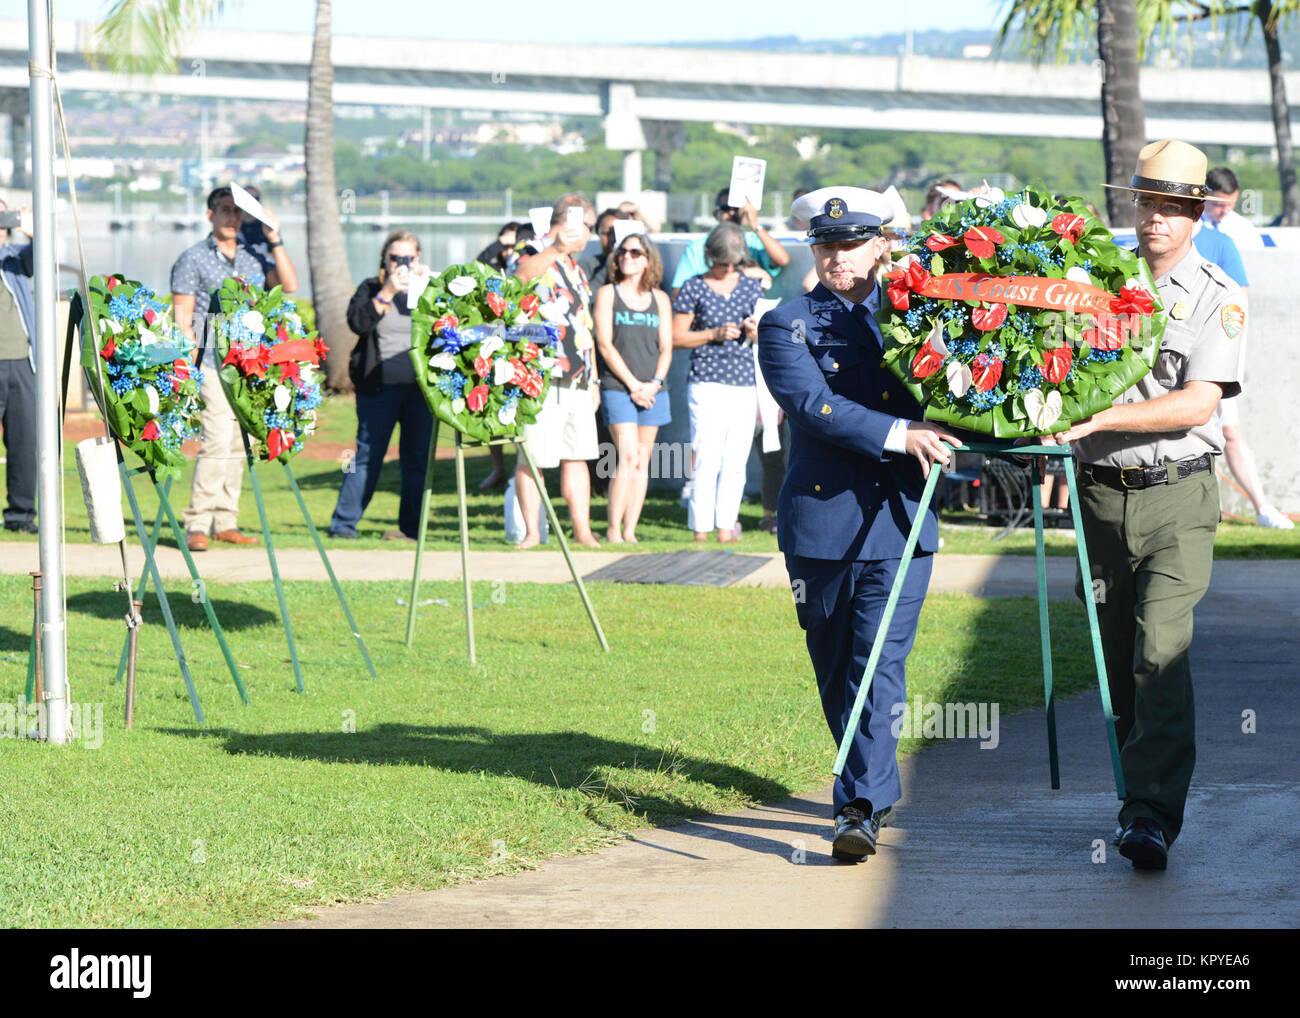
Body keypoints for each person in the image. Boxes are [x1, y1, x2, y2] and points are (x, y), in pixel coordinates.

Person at [758, 186, 959, 863]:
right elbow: (811, 404)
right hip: (822, 524)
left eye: (851, 243)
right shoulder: (785, 322)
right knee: (837, 665)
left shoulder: (923, 315)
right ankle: (863, 785)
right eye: (826, 244)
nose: (838, 257)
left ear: (883, 244)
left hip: (901, 519)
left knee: (879, 667)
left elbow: (967, 387)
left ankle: (861, 805)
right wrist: (903, 434)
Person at [1061, 140, 1246, 871]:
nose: (1158, 219)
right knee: (1115, 662)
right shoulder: (1093, 284)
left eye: (1174, 207)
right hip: (1099, 497)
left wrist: (1100, 418)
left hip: (1178, 497)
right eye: (1148, 203)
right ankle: (1139, 792)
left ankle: (1150, 816)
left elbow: (1198, 401)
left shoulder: (1217, 295)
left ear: (1197, 214)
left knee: (1160, 650)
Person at [174, 185, 298, 552]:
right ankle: (197, 521)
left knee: (237, 443)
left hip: (246, 363)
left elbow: (289, 285)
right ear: (210, 215)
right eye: (224, 210)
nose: (231, 217)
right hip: (209, 361)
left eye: (236, 211)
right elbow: (182, 315)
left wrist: (274, 237)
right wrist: (187, 365)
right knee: (215, 440)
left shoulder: (252, 258)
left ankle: (225, 520)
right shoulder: (192, 258)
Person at [1195, 175, 1292, 529]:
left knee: (1229, 430)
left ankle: (1262, 506)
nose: (1222, 212)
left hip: (1213, 355)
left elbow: (1240, 302)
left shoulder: (1222, 241)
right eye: (1218, 203)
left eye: (1229, 205)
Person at [327, 231, 434, 542]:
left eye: (408, 258)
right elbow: (357, 323)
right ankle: (343, 526)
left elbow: (450, 326)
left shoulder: (428, 290)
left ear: (419, 259)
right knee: (367, 456)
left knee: (417, 458)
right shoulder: (372, 288)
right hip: (379, 388)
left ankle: (411, 530)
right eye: (395, 257)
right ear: (384, 260)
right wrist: (386, 292)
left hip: (420, 391)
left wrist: (428, 287)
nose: (402, 263)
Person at [511, 194, 602, 548]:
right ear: (570, 224)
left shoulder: (576, 265)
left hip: (578, 375)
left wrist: (593, 377)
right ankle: (533, 532)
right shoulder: (531, 248)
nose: (590, 236)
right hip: (540, 374)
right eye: (588, 228)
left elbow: (584, 324)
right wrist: (553, 248)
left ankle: (582, 532)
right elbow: (518, 280)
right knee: (532, 456)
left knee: (577, 455)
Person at [672, 223, 763, 543]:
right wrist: (712, 334)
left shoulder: (752, 287)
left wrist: (755, 332)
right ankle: (700, 528)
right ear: (709, 257)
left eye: (733, 262)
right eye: (721, 262)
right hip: (706, 380)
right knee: (705, 455)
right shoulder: (693, 287)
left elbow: (763, 331)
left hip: (743, 380)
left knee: (736, 458)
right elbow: (675, 336)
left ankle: (726, 525)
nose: (727, 268)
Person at [593, 233, 672, 543]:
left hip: (653, 390)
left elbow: (666, 348)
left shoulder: (660, 299)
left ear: (648, 260)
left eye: (635, 252)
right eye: (622, 252)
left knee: (641, 462)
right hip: (618, 386)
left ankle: (631, 531)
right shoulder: (607, 295)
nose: (627, 256)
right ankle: (613, 531)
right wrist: (634, 385)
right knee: (625, 458)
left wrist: (652, 384)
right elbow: (604, 344)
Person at [670, 188, 790, 294]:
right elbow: (678, 292)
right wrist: (743, 273)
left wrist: (754, 224)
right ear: (716, 214)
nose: (732, 212)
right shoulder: (697, 247)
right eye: (726, 208)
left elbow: (782, 260)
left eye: (737, 208)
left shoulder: (754, 242)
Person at [0, 200, 36, 534]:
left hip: (21, 362)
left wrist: (33, 234)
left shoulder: (13, 257)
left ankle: (21, 517)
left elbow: (36, 260)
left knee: (25, 441)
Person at [1200, 167, 1264, 253]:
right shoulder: (1189, 225)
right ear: (1204, 195)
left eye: (1231, 204)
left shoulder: (1245, 229)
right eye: (1218, 205)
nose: (1225, 211)